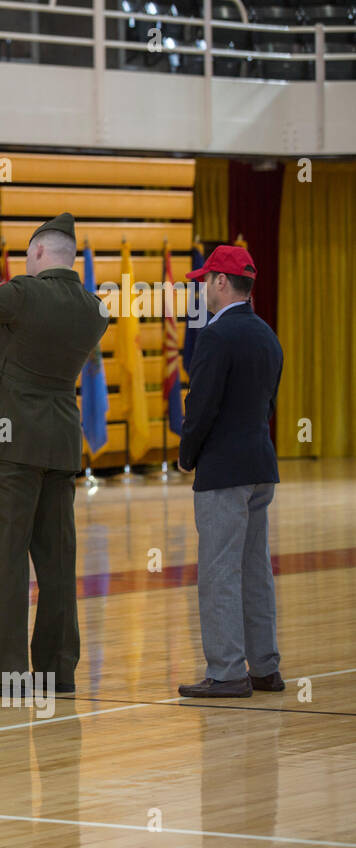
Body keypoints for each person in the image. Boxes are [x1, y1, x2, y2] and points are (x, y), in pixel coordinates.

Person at [0, 213, 108, 694]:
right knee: (57, 563)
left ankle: (9, 673)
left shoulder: (23, 294)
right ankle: (58, 672)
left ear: (36, 254)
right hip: (59, 444)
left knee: (7, 558)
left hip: (10, 446)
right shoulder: (95, 309)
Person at [177, 245, 284, 698]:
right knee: (254, 569)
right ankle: (264, 668)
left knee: (220, 571)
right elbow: (269, 403)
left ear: (222, 282)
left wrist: (187, 454)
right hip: (260, 464)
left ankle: (226, 672)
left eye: (205, 280)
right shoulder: (267, 335)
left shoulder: (215, 336)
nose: (203, 288)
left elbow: (201, 406)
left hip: (223, 470)